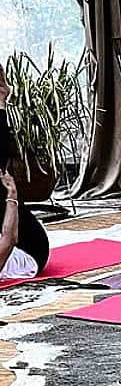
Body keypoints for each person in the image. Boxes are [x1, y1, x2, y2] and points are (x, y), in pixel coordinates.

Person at [0, 67, 51, 281]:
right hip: (30, 250)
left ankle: (0, 101)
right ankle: (1, 101)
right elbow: (9, 239)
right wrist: (12, 197)